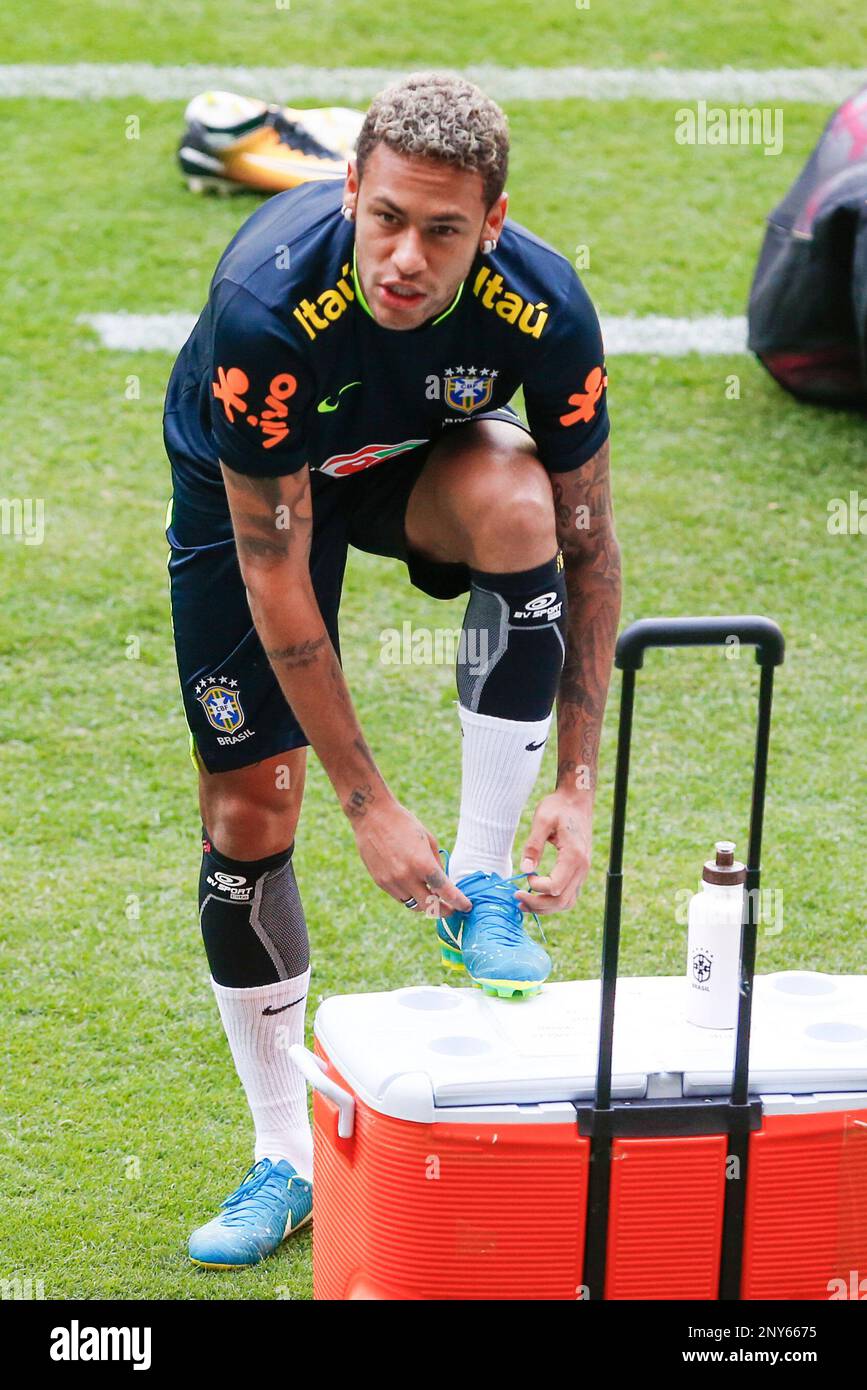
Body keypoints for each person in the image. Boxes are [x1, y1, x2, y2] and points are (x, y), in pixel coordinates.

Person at [162, 71, 621, 1269]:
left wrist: (579, 777)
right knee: (252, 808)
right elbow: (279, 581)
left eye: (444, 231)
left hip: (406, 458)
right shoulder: (265, 313)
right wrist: (366, 802)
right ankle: (285, 1155)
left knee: (522, 506)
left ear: (494, 227)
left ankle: (484, 885)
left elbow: (590, 544)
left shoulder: (546, 309)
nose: (406, 257)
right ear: (351, 187)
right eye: (387, 218)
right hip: (256, 495)